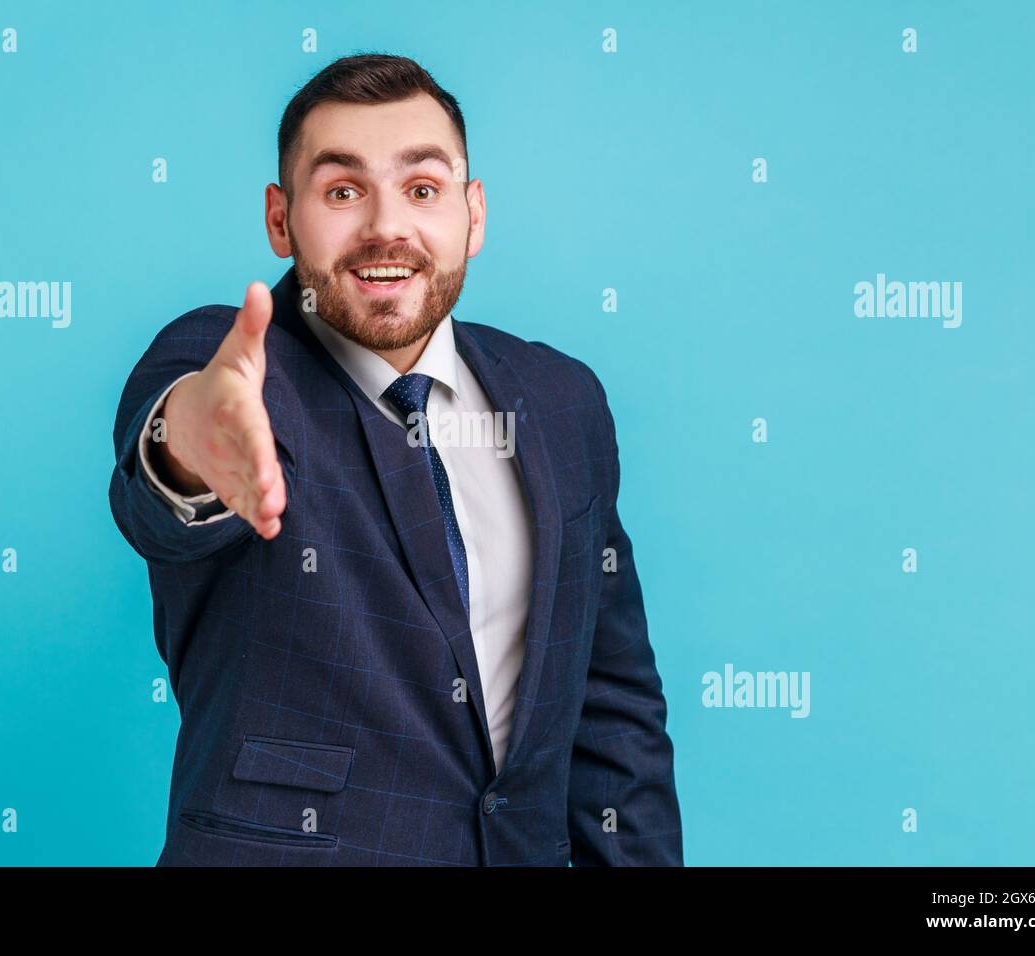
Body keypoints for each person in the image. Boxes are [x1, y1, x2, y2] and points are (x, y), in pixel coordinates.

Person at [108, 53, 683, 866]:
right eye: (342, 191)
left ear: (472, 215)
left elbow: (613, 706)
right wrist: (190, 445)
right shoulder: (229, 364)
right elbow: (162, 467)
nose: (386, 227)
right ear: (281, 219)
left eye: (422, 189)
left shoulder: (562, 401)